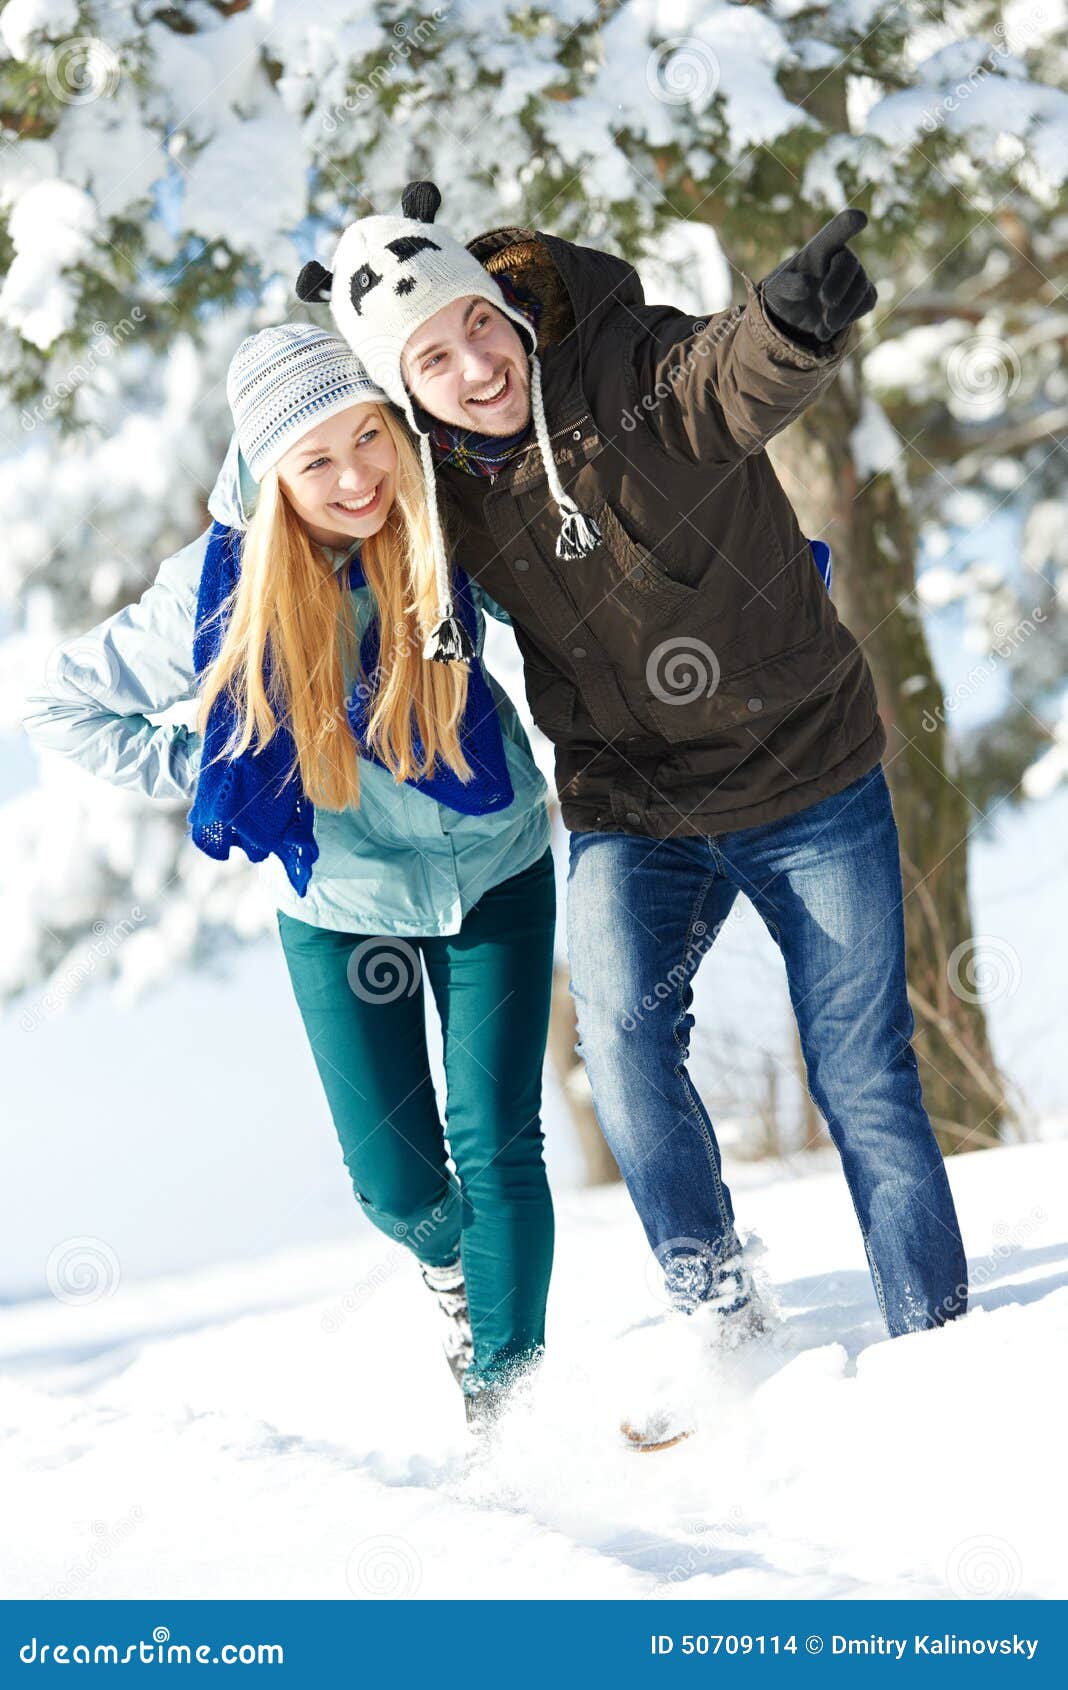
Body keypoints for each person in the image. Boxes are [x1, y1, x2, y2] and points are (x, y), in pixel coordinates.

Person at [296, 184, 969, 1376]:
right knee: (619, 1040)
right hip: (635, 806)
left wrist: (794, 326)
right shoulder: (431, 498)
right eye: (434, 358)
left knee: (861, 1069)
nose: (477, 367)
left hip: (807, 765)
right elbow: (306, 493)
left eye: (482, 327)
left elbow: (724, 377)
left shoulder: (623, 363)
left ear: (506, 306)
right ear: (404, 387)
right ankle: (721, 1323)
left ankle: (937, 1345)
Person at [21, 324, 558, 1429]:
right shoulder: (216, 589)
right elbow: (61, 706)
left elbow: (580, 609)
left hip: (493, 861)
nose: (358, 476)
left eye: (371, 438)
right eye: (318, 461)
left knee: (499, 1145)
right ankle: (455, 1275)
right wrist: (219, 766)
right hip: (340, 897)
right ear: (272, 475)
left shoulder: (448, 525)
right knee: (400, 1188)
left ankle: (514, 1409)